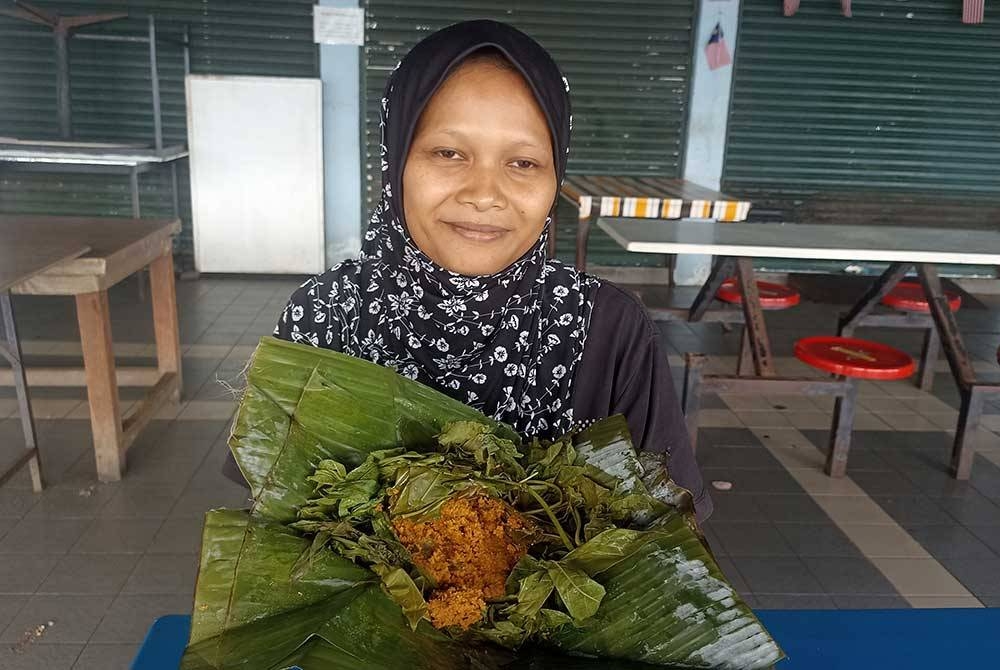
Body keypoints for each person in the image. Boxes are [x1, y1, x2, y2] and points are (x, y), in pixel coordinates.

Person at [227, 19, 711, 521]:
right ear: (396, 162)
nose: (483, 194)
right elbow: (276, 525)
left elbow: (666, 533)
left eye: (523, 163)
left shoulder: (610, 331)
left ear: (555, 177)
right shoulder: (327, 317)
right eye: (448, 153)